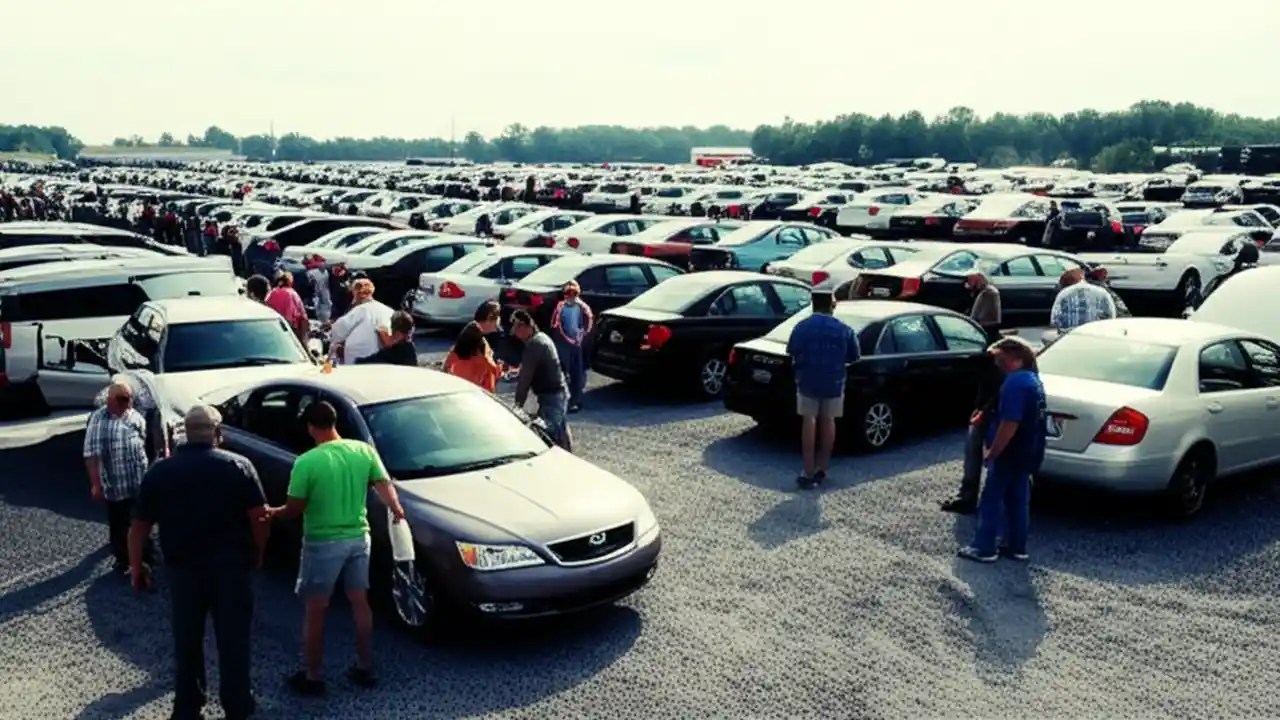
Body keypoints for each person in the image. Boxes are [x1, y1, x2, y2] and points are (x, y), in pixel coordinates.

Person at [128, 405, 269, 720]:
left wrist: (137, 566)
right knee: (234, 639)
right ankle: (237, 705)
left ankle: (189, 707)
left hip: (183, 571)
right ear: (217, 433)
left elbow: (138, 527)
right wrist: (258, 551)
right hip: (231, 569)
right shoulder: (239, 466)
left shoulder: (161, 471)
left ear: (185, 434)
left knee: (187, 640)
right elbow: (259, 517)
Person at [267, 401, 406, 696]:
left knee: (316, 609)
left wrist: (272, 512)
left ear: (309, 427)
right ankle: (365, 666)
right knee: (360, 602)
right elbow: (384, 485)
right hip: (359, 537)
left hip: (322, 543)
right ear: (335, 423)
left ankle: (314, 676)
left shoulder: (307, 462)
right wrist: (396, 508)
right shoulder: (363, 451)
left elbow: (295, 508)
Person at [958, 337, 1046, 564]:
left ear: (1016, 359)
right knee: (1018, 499)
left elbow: (1010, 422)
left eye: (1001, 359)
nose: (998, 364)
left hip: (1009, 451)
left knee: (992, 498)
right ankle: (1016, 546)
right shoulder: (1033, 380)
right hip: (1027, 451)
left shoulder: (1014, 383)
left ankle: (984, 547)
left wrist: (993, 451)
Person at [785, 292, 860, 489]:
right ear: (832, 305)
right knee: (828, 421)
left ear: (813, 304)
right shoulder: (844, 329)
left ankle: (807, 470)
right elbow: (854, 355)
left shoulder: (802, 327)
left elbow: (791, 350)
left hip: (807, 379)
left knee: (808, 421)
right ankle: (822, 468)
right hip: (834, 381)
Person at [83, 381, 153, 575]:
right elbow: (91, 454)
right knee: (119, 521)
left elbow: (143, 442)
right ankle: (124, 558)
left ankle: (146, 557)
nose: (128, 404)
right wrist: (96, 484)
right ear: (110, 400)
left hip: (138, 480)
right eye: (123, 400)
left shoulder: (136, 417)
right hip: (115, 483)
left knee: (141, 519)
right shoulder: (99, 419)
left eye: (130, 399)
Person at [939, 350, 1003, 514]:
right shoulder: (981, 348)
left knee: (996, 458)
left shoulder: (996, 351)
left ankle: (989, 501)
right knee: (973, 450)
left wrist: (984, 410)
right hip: (987, 408)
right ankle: (968, 497)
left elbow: (1001, 387)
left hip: (1001, 411)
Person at [511, 310, 572, 451]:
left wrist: (518, 404)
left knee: (548, 433)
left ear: (528, 326)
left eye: (517, 327)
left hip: (552, 395)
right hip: (558, 392)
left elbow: (526, 378)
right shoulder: (541, 338)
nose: (514, 332)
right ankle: (568, 457)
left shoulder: (535, 344)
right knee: (560, 429)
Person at [550, 280, 593, 412]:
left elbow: (588, 323)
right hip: (564, 345)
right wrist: (566, 339)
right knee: (563, 374)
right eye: (568, 293)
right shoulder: (560, 308)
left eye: (574, 293)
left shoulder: (582, 308)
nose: (571, 296)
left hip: (577, 344)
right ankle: (563, 401)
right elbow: (555, 326)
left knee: (577, 374)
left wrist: (582, 336)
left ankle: (575, 400)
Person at [329, 278, 394, 365]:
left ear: (355, 294)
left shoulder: (360, 309)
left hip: (357, 359)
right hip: (382, 358)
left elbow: (338, 331)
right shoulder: (388, 310)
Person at [1050, 268, 1117, 333]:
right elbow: (1111, 317)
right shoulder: (1103, 292)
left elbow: (1054, 320)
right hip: (1097, 335)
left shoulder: (1063, 294)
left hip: (1070, 336)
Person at [443, 321, 501, 392]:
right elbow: (495, 372)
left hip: (462, 386)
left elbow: (446, 367)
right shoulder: (482, 349)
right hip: (479, 389)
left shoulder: (457, 350)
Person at [266, 271, 310, 342]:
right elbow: (302, 316)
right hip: (290, 329)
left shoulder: (272, 293)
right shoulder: (292, 293)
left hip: (273, 327)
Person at [965, 272, 1002, 343]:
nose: (968, 284)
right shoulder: (982, 292)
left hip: (986, 327)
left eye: (970, 281)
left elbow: (983, 315)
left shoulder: (989, 293)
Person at [305, 258, 333, 324]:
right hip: (316, 293)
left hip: (324, 291)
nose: (323, 265)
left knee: (326, 305)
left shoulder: (326, 272)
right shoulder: (312, 272)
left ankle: (325, 321)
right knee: (317, 307)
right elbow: (310, 282)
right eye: (321, 263)